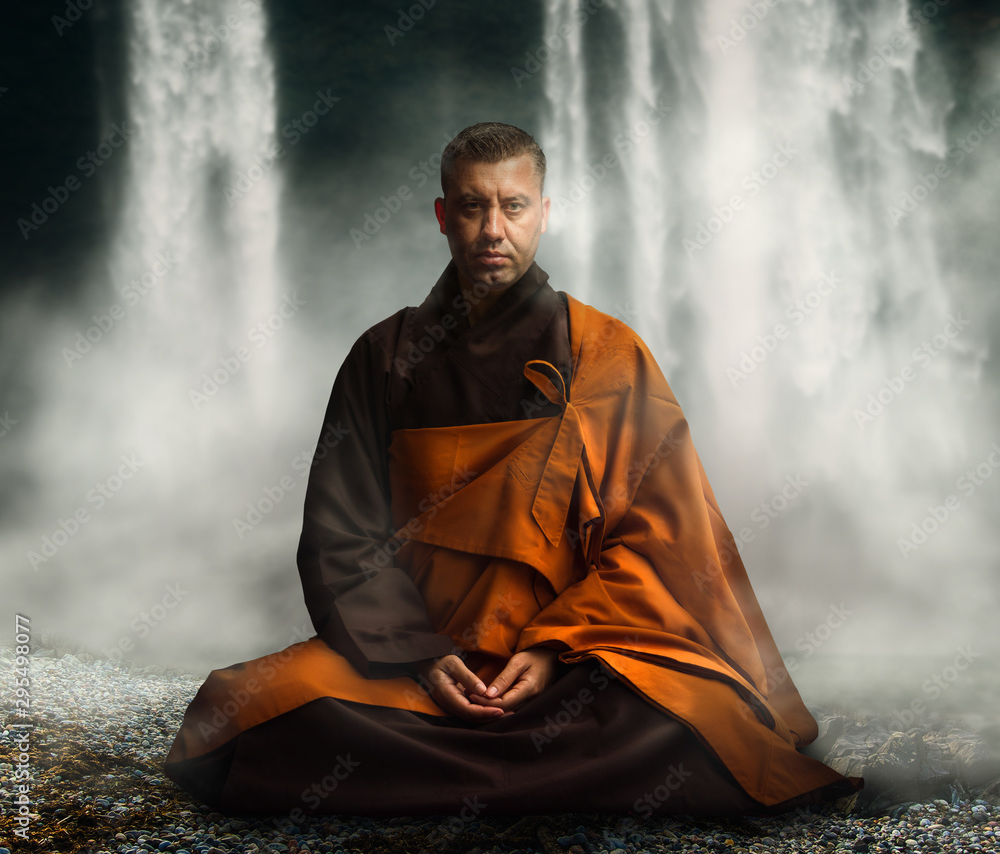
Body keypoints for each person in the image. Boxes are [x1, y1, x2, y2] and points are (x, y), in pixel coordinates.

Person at [165, 122, 861, 817]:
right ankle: (539, 772)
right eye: (472, 207)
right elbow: (340, 537)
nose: (492, 229)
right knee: (246, 711)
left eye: (514, 206)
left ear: (544, 214)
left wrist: (557, 648)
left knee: (685, 721)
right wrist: (424, 657)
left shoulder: (607, 355)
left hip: (576, 657)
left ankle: (448, 773)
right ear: (443, 216)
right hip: (420, 658)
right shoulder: (383, 357)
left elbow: (660, 540)